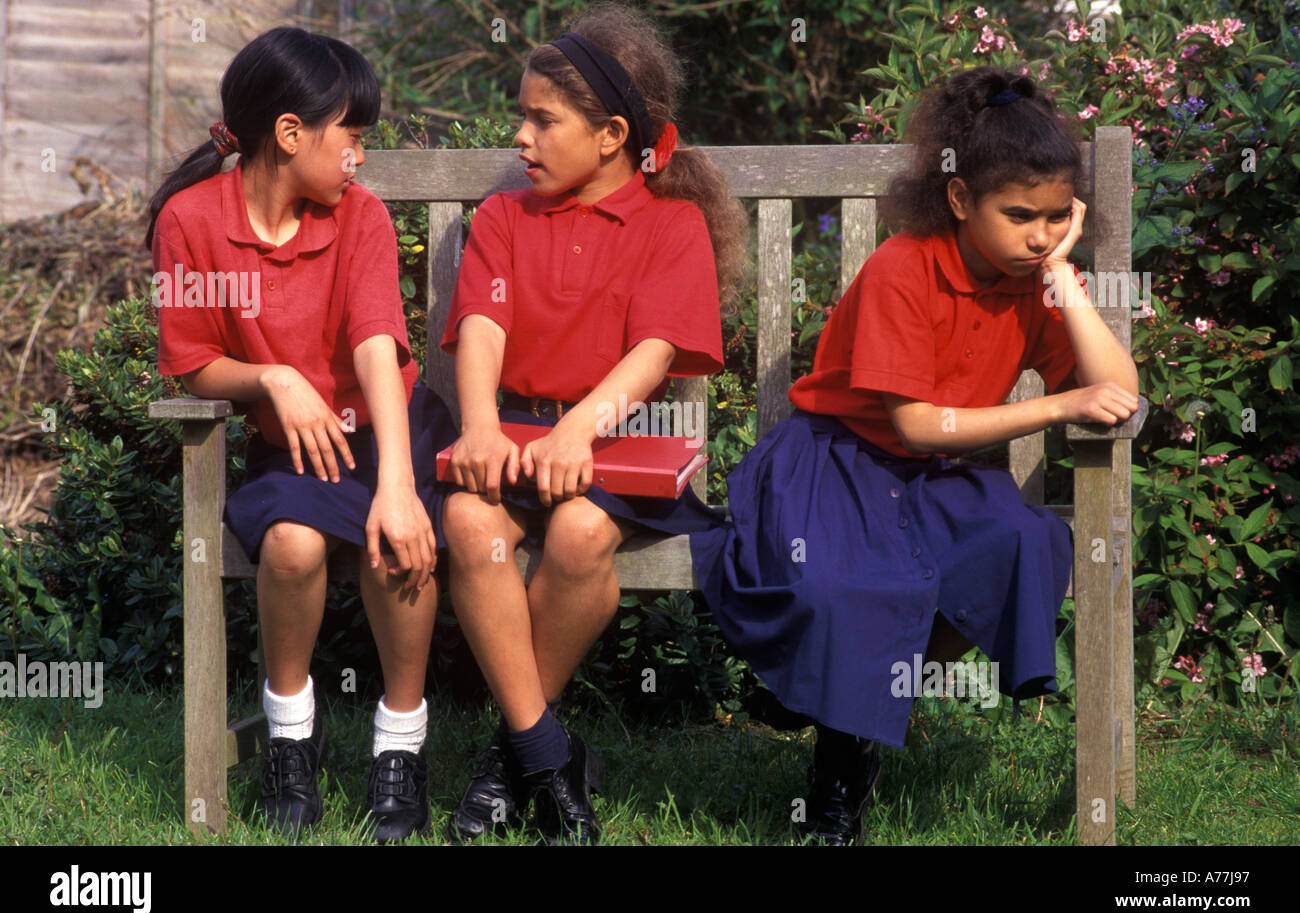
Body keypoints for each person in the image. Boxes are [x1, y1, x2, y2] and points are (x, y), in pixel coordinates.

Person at [690, 66, 1141, 845]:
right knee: (839, 583)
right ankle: (840, 764)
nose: (1039, 234)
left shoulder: (1036, 278)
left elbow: (1121, 393)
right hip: (838, 461)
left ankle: (840, 710)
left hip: (935, 476)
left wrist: (1066, 278)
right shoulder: (906, 266)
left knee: (1019, 543)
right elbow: (917, 424)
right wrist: (1062, 404)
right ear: (961, 200)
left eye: (1057, 217)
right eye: (1020, 216)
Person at [437, 4, 747, 844]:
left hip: (614, 447)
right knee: (470, 520)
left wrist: (579, 431)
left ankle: (508, 759)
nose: (522, 138)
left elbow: (654, 350)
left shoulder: (669, 225)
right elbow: (483, 329)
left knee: (577, 536)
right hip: (509, 435)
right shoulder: (505, 219)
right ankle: (545, 753)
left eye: (543, 120)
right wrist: (477, 424)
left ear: (612, 134)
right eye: (521, 118)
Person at [149, 26, 458, 842]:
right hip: (292, 445)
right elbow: (192, 363)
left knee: (400, 539)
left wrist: (396, 482)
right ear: (290, 133)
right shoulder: (191, 222)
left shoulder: (359, 219)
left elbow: (378, 348)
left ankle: (400, 747)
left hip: (390, 425)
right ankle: (291, 743)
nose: (361, 156)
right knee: (289, 543)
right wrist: (273, 378)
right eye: (352, 135)